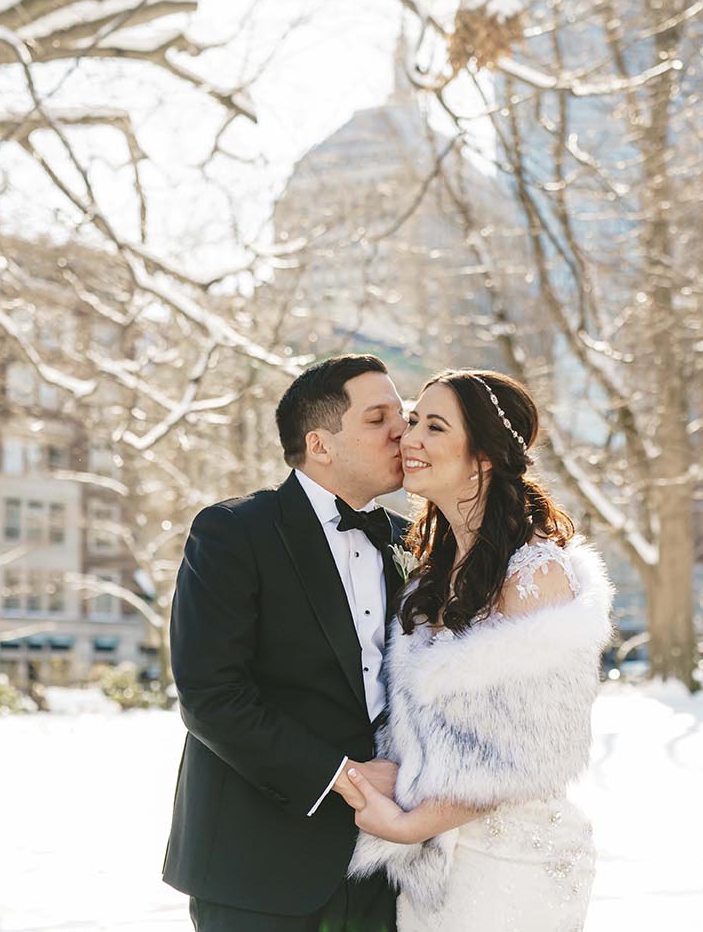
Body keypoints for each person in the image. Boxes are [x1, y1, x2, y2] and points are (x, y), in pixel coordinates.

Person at [337, 369, 614, 932]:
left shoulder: (537, 575)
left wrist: (410, 825)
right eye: (413, 421)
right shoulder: (425, 582)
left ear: (484, 456)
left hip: (514, 867)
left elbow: (532, 755)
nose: (408, 438)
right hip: (431, 872)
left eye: (433, 427)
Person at [164, 354, 412, 931]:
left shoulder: (411, 541)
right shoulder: (233, 532)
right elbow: (211, 695)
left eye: (403, 415)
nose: (401, 430)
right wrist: (341, 775)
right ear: (320, 444)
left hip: (389, 866)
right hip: (259, 865)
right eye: (378, 418)